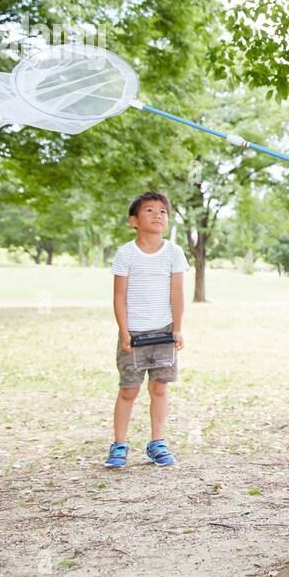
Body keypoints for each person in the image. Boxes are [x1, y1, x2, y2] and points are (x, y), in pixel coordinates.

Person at [103, 191, 188, 469]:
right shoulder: (126, 254)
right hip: (134, 333)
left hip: (163, 330)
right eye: (149, 211)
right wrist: (124, 332)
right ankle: (119, 444)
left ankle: (157, 442)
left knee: (159, 388)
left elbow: (177, 294)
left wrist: (178, 328)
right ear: (133, 221)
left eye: (162, 211)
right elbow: (119, 296)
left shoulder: (174, 253)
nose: (157, 215)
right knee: (129, 389)